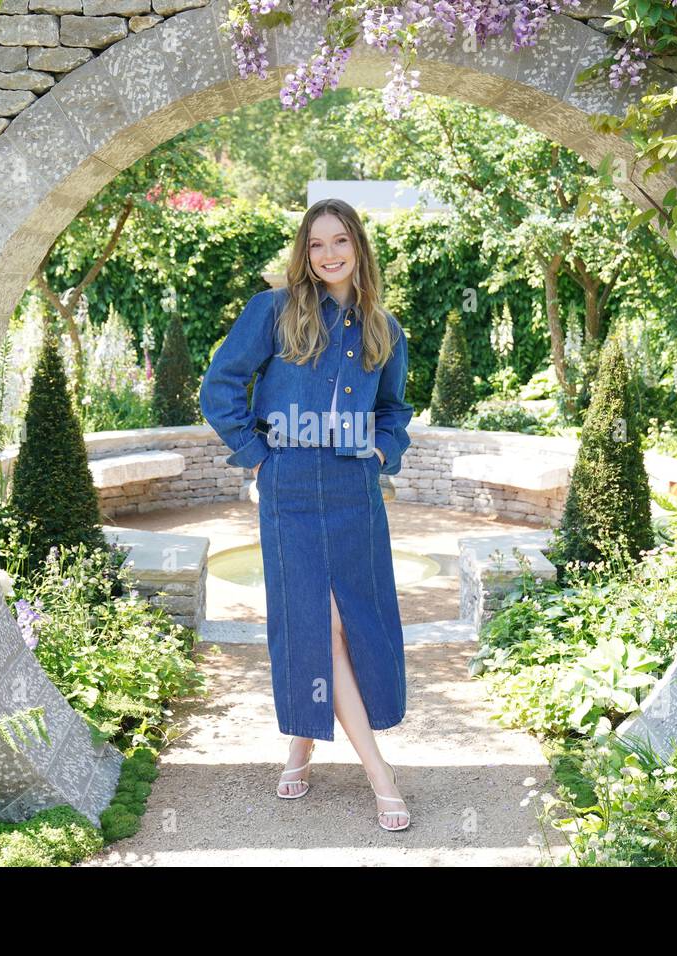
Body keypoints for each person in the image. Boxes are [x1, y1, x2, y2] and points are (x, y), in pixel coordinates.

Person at [198, 198, 415, 832]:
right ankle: (381, 775)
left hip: (354, 490)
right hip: (290, 486)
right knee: (311, 626)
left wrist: (383, 449)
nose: (327, 254)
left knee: (351, 625)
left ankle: (302, 739)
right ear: (304, 250)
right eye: (316, 244)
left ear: (358, 247)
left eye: (339, 241)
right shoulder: (272, 311)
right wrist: (257, 457)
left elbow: (395, 410)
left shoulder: (383, 327)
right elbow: (220, 386)